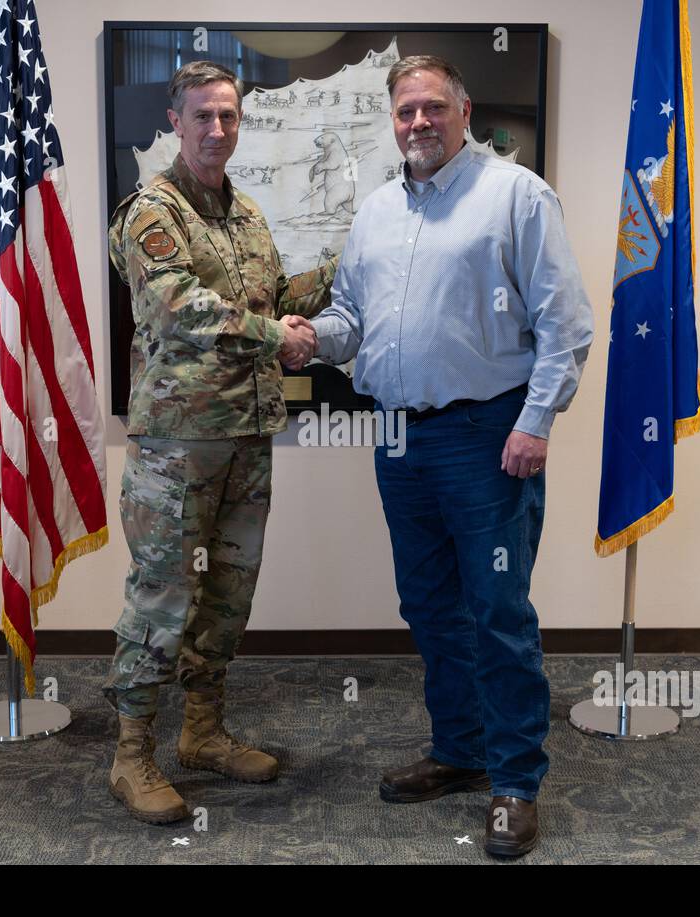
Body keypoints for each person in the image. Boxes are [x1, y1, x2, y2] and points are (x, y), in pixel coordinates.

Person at [302, 56, 594, 857]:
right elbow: (351, 320)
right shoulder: (376, 212)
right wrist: (307, 340)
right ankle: (461, 752)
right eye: (405, 112)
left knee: (497, 612)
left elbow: (566, 326)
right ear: (392, 122)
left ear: (464, 112)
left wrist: (535, 424)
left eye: (433, 107)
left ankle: (514, 781)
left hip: (486, 436)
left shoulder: (516, 196)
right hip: (398, 439)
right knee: (430, 608)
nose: (419, 123)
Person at [103, 61, 333, 824]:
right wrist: (277, 335)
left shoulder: (248, 217)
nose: (217, 130)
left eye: (229, 116)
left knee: (228, 598)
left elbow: (271, 299)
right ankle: (131, 755)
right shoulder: (151, 211)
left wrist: (342, 271)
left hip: (245, 440)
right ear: (176, 120)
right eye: (202, 116)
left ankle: (202, 734)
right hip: (178, 450)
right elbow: (177, 308)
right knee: (162, 600)